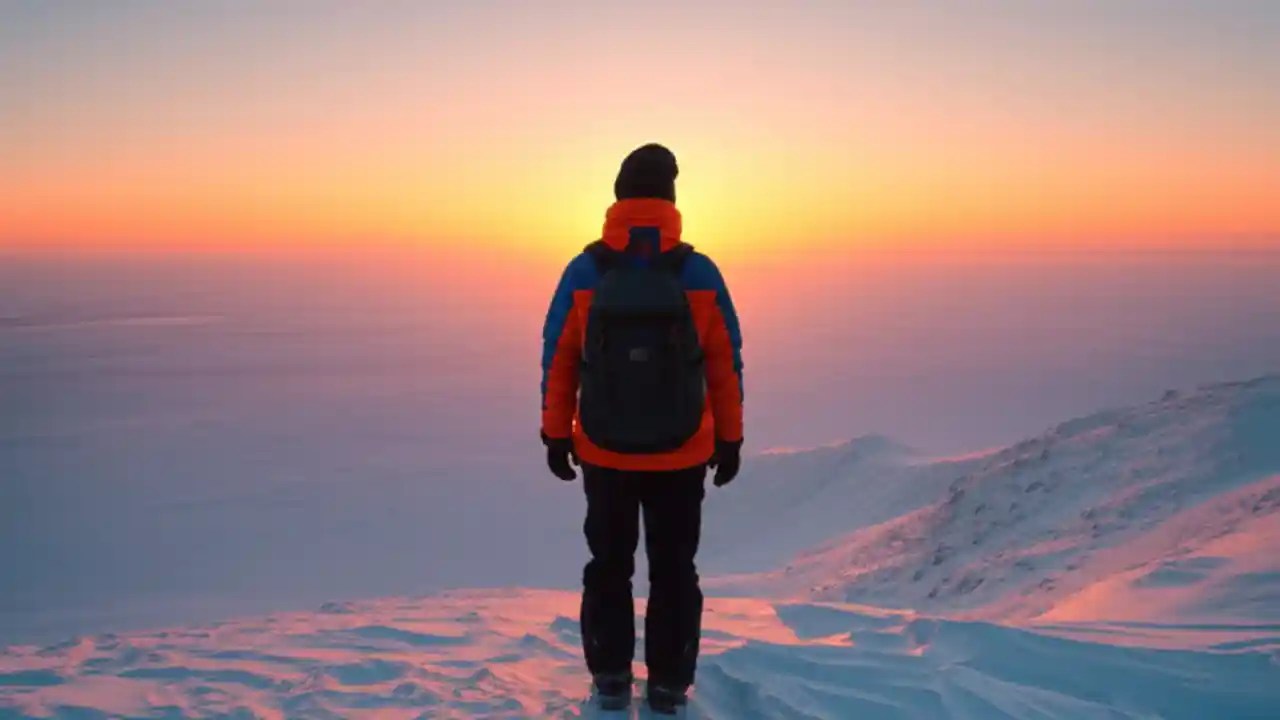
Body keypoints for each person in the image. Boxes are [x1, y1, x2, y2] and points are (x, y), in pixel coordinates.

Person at [539, 143, 744, 714]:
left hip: (604, 451)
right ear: (672, 200)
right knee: (675, 567)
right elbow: (726, 361)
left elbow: (559, 354)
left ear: (618, 197)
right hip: (681, 453)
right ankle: (669, 687)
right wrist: (729, 438)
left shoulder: (586, 270)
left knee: (609, 563)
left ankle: (609, 680)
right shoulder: (698, 272)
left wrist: (556, 432)